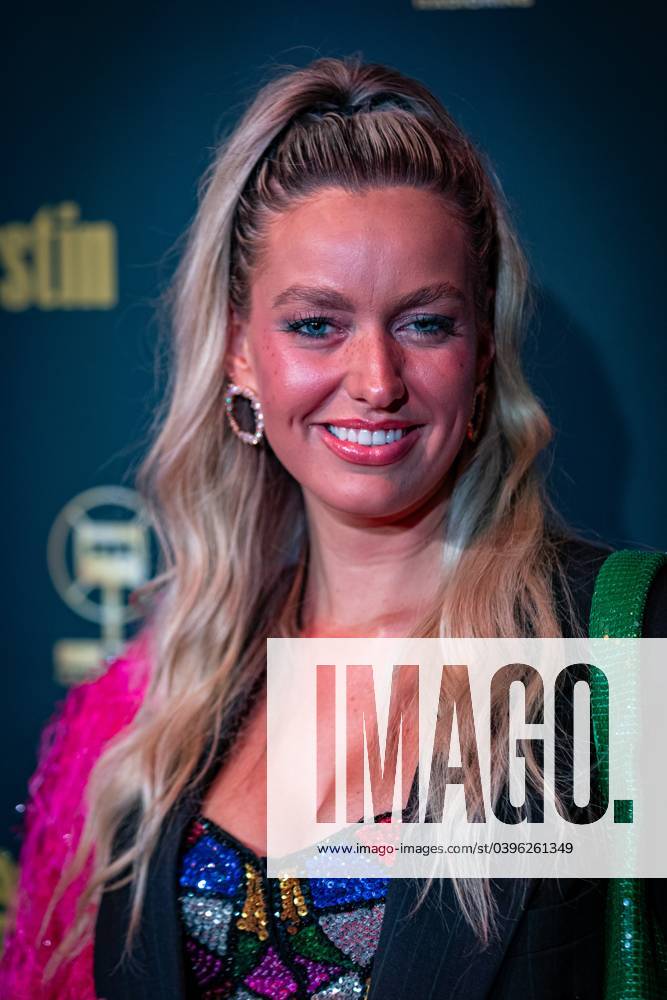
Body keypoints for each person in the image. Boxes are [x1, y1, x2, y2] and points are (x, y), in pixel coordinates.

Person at [1, 53, 666, 1000]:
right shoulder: (181, 688)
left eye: (425, 324)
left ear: (481, 352)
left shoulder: (614, 652)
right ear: (238, 350)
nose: (376, 381)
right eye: (317, 325)